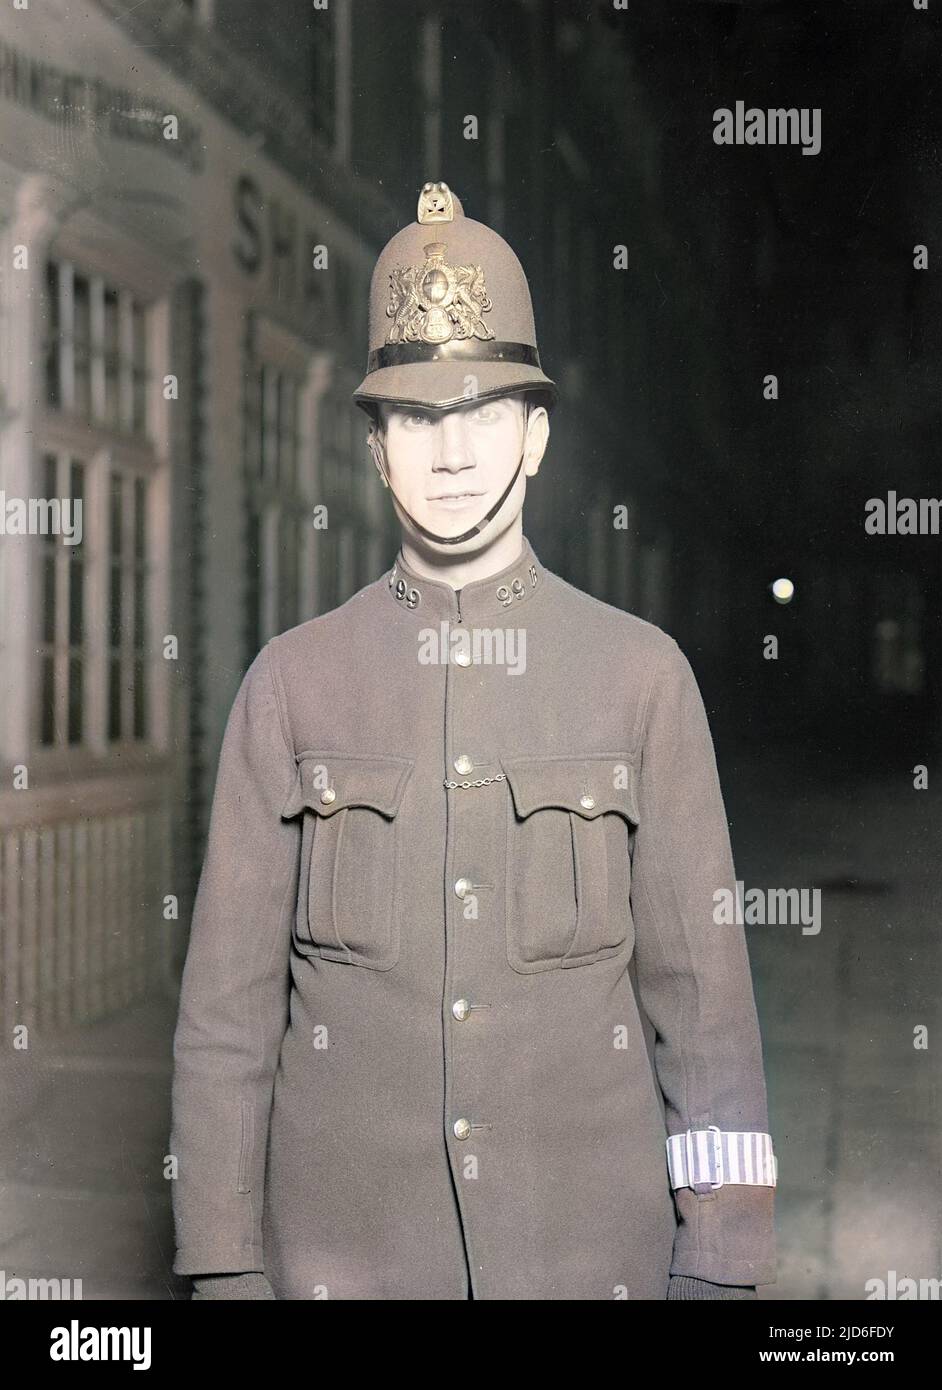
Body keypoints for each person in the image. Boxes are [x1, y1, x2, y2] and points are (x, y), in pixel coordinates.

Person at [171, 180, 777, 1300]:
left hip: (588, 1261)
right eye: (414, 417)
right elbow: (225, 1018)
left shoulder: (641, 678)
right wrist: (221, 1261)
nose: (449, 454)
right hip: (340, 1266)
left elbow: (705, 1011)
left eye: (482, 414)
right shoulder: (290, 686)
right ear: (375, 449)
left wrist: (719, 1258)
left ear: (537, 437)